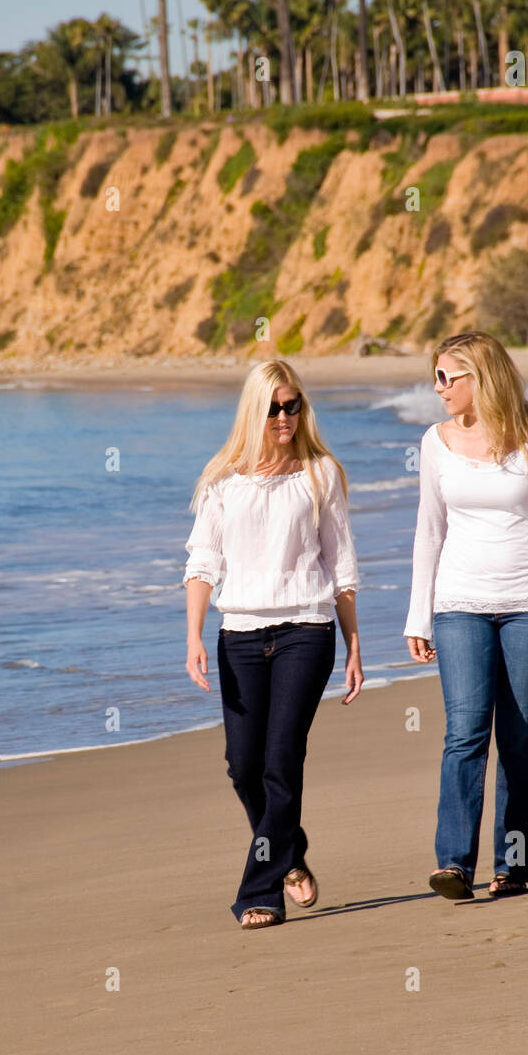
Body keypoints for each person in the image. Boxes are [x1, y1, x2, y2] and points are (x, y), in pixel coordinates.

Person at [403, 331, 528, 901]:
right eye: (435, 377)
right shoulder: (435, 442)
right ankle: (454, 864)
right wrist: (418, 615)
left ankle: (515, 864)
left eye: (446, 378)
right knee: (465, 731)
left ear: (480, 378)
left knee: (520, 734)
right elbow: (429, 529)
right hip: (458, 604)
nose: (437, 389)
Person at [184, 360, 363, 929]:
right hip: (238, 634)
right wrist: (192, 635)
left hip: (307, 631)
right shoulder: (221, 479)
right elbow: (202, 561)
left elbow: (341, 564)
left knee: (282, 763)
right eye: (274, 408)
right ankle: (287, 852)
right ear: (253, 411)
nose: (285, 417)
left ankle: (259, 891)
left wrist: (355, 643)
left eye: (293, 406)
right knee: (243, 767)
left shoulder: (321, 474)